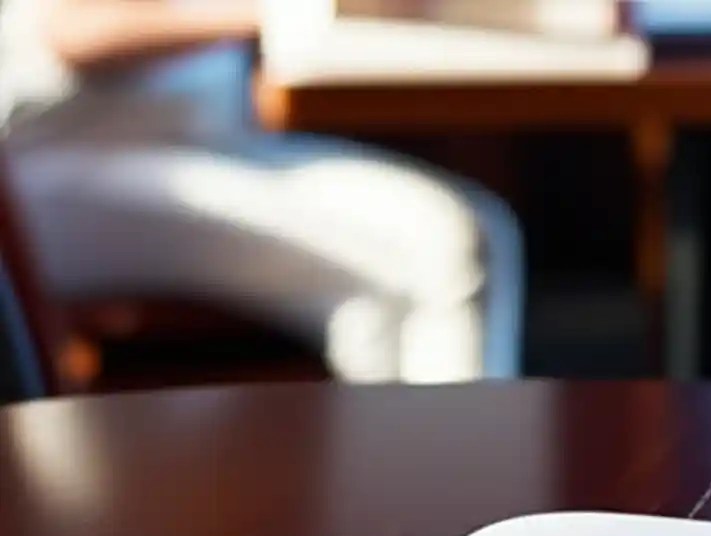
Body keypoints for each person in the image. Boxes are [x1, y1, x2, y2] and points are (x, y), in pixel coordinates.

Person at [0, 0, 523, 384]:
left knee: (441, 246)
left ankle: (414, 505)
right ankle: (456, 505)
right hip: (70, 165)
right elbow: (74, 32)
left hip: (205, 144)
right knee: (434, 249)